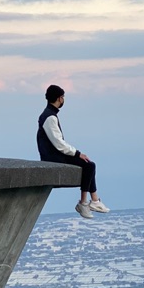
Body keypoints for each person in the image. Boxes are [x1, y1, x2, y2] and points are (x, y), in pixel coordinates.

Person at [37, 84, 110, 220]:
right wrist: (77, 153)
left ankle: (93, 201)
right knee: (89, 164)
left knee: (89, 164)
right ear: (59, 98)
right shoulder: (50, 117)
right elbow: (58, 143)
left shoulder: (49, 115)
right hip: (54, 158)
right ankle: (85, 203)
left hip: (54, 155)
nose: (63, 100)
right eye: (63, 97)